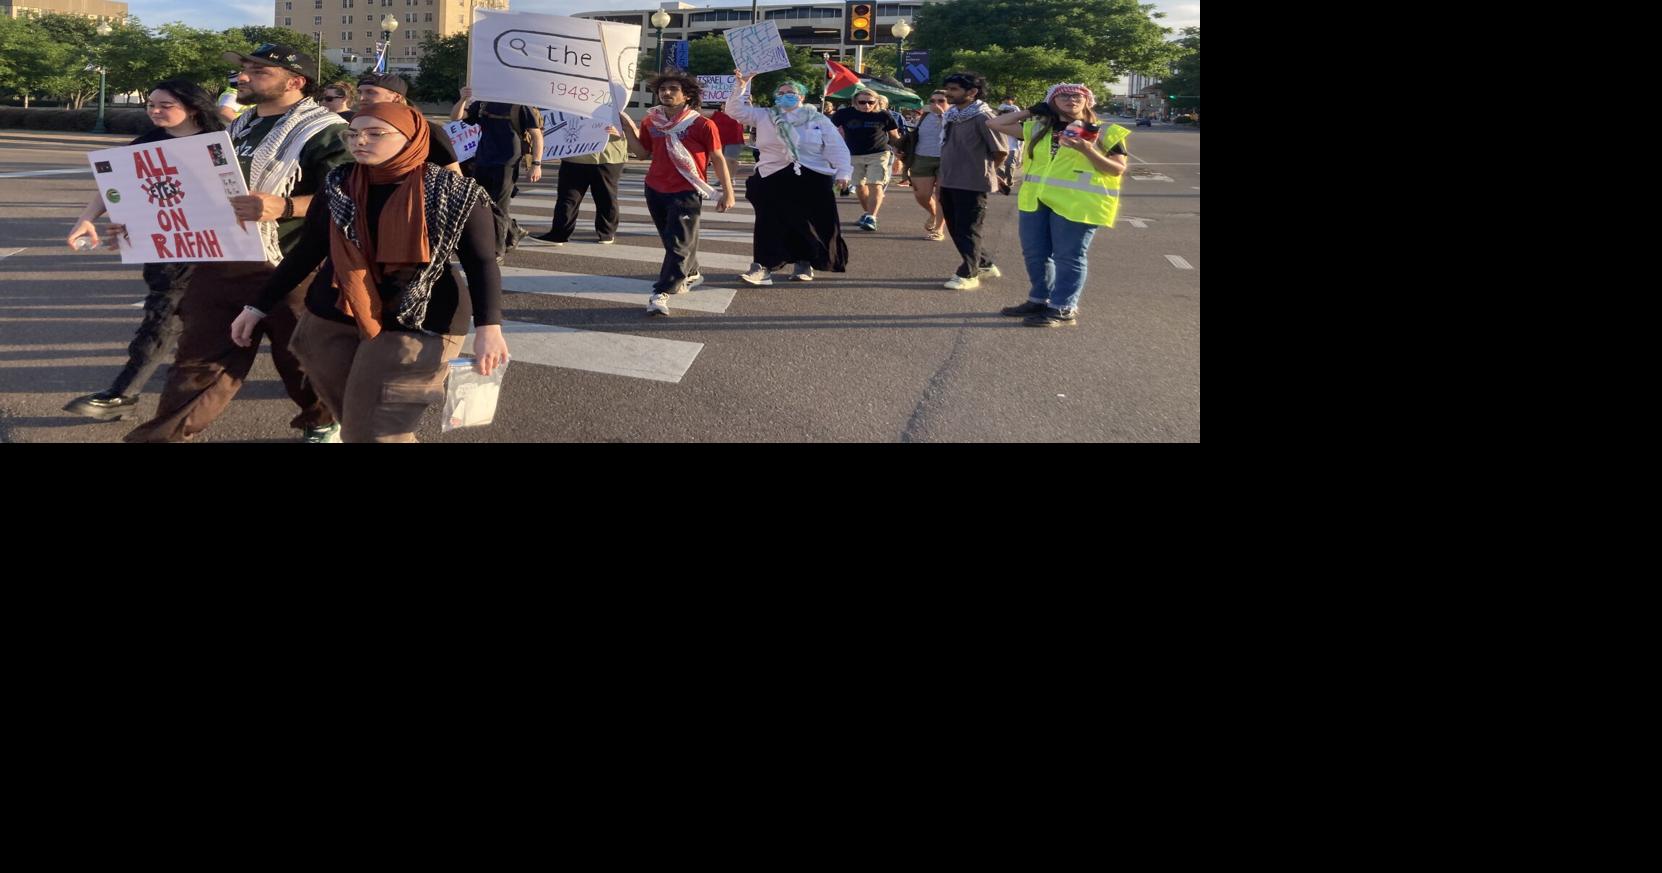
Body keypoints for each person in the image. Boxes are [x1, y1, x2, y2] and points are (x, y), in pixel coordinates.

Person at [229, 103, 508, 441]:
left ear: (411, 138)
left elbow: (481, 263)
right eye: (354, 133)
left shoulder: (457, 193)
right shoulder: (339, 183)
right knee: (364, 425)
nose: (360, 141)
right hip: (334, 313)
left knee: (373, 432)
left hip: (418, 320)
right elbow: (308, 251)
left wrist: (489, 328)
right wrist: (256, 306)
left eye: (375, 133)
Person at [122, 43, 350, 443]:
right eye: (244, 69)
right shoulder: (235, 129)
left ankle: (322, 418)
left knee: (301, 361)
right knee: (197, 364)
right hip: (220, 262)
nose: (243, 76)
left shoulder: (327, 130)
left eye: (259, 71)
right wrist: (139, 222)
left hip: (290, 267)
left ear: (296, 81)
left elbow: (350, 196)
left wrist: (286, 205)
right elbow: (194, 191)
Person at [62, 79, 226, 422]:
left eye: (165, 105)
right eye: (151, 104)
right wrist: (87, 218)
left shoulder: (221, 144)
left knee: (165, 321)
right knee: (165, 320)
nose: (154, 111)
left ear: (193, 107)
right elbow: (114, 187)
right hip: (165, 251)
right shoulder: (146, 143)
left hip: (217, 252)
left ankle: (123, 393)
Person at [985, 83, 1129, 327]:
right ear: (1052, 101)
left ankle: (1063, 306)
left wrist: (1088, 150)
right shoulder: (1039, 127)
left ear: (1087, 101)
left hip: (1078, 202)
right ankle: (1040, 299)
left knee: (1068, 256)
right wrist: (1031, 111)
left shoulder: (1104, 132)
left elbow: (1117, 169)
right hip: (1037, 200)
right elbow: (994, 124)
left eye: (1077, 96)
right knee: (1035, 253)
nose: (1071, 99)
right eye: (1063, 95)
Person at [617, 72, 735, 317]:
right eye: (663, 89)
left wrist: (727, 191)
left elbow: (718, 158)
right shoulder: (652, 122)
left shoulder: (702, 124)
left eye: (673, 89)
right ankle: (691, 273)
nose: (666, 93)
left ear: (687, 95)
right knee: (671, 241)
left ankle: (661, 292)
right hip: (655, 188)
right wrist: (629, 130)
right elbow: (641, 154)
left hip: (686, 191)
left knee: (678, 245)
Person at [725, 71, 852, 285]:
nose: (786, 95)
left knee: (807, 222)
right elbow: (734, 110)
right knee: (769, 222)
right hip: (772, 175)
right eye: (781, 93)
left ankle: (804, 263)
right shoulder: (765, 115)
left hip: (812, 176)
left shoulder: (818, 119)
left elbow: (835, 147)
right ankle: (762, 267)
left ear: (801, 97)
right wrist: (742, 86)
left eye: (791, 92)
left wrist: (843, 172)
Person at [935, 71, 1006, 291]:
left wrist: (988, 172)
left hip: (972, 182)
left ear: (972, 92)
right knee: (956, 228)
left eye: (954, 89)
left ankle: (968, 273)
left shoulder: (984, 117)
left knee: (968, 228)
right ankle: (983, 263)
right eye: (948, 88)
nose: (948, 93)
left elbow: (1000, 151)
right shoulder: (952, 115)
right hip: (948, 179)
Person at [450, 87, 542, 254]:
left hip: (508, 162)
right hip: (483, 159)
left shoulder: (519, 106)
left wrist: (536, 164)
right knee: (481, 204)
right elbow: (456, 117)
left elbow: (536, 135)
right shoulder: (483, 103)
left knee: (499, 206)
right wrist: (463, 99)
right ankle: (514, 230)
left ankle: (497, 251)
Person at [535, 118, 626, 246]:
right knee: (567, 199)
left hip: (606, 157)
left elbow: (635, 133)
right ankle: (559, 234)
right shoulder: (569, 101)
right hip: (574, 156)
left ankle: (606, 233)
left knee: (606, 197)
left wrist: (621, 131)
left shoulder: (616, 105)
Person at [357, 73, 459, 174]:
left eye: (371, 92)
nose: (362, 98)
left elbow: (454, 177)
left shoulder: (427, 131)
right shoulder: (356, 128)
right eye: (359, 92)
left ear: (396, 97)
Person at [832, 87, 900, 231]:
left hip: (878, 154)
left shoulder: (884, 115)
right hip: (853, 155)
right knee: (859, 186)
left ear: (876, 102)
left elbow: (895, 137)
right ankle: (867, 213)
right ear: (855, 102)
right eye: (862, 102)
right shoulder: (843, 114)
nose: (866, 105)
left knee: (875, 184)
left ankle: (871, 217)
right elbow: (830, 132)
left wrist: (900, 158)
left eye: (870, 102)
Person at [897, 90, 948, 241]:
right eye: (932, 101)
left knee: (941, 196)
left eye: (941, 101)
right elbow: (915, 135)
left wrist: (942, 115)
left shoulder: (955, 116)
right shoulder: (925, 115)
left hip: (947, 159)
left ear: (949, 102)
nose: (935, 104)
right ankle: (934, 213)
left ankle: (939, 229)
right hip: (922, 157)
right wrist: (902, 148)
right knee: (921, 194)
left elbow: (958, 133)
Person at [995, 94, 1023, 195]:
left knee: (1009, 165)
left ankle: (1009, 180)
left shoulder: (1015, 110)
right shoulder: (1001, 108)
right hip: (1001, 146)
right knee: (999, 166)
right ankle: (1002, 183)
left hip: (1012, 147)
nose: (1008, 101)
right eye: (1007, 99)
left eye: (1010, 100)